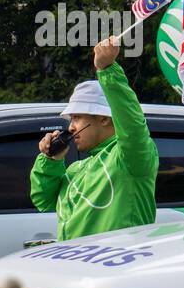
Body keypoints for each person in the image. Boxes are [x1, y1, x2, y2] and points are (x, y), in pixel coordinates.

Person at [30, 37, 159, 242]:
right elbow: (43, 202)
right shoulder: (76, 170)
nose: (70, 126)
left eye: (77, 117)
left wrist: (107, 70)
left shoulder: (128, 159)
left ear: (104, 119)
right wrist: (50, 161)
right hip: (79, 269)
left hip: (119, 269)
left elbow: (132, 123)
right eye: (71, 118)